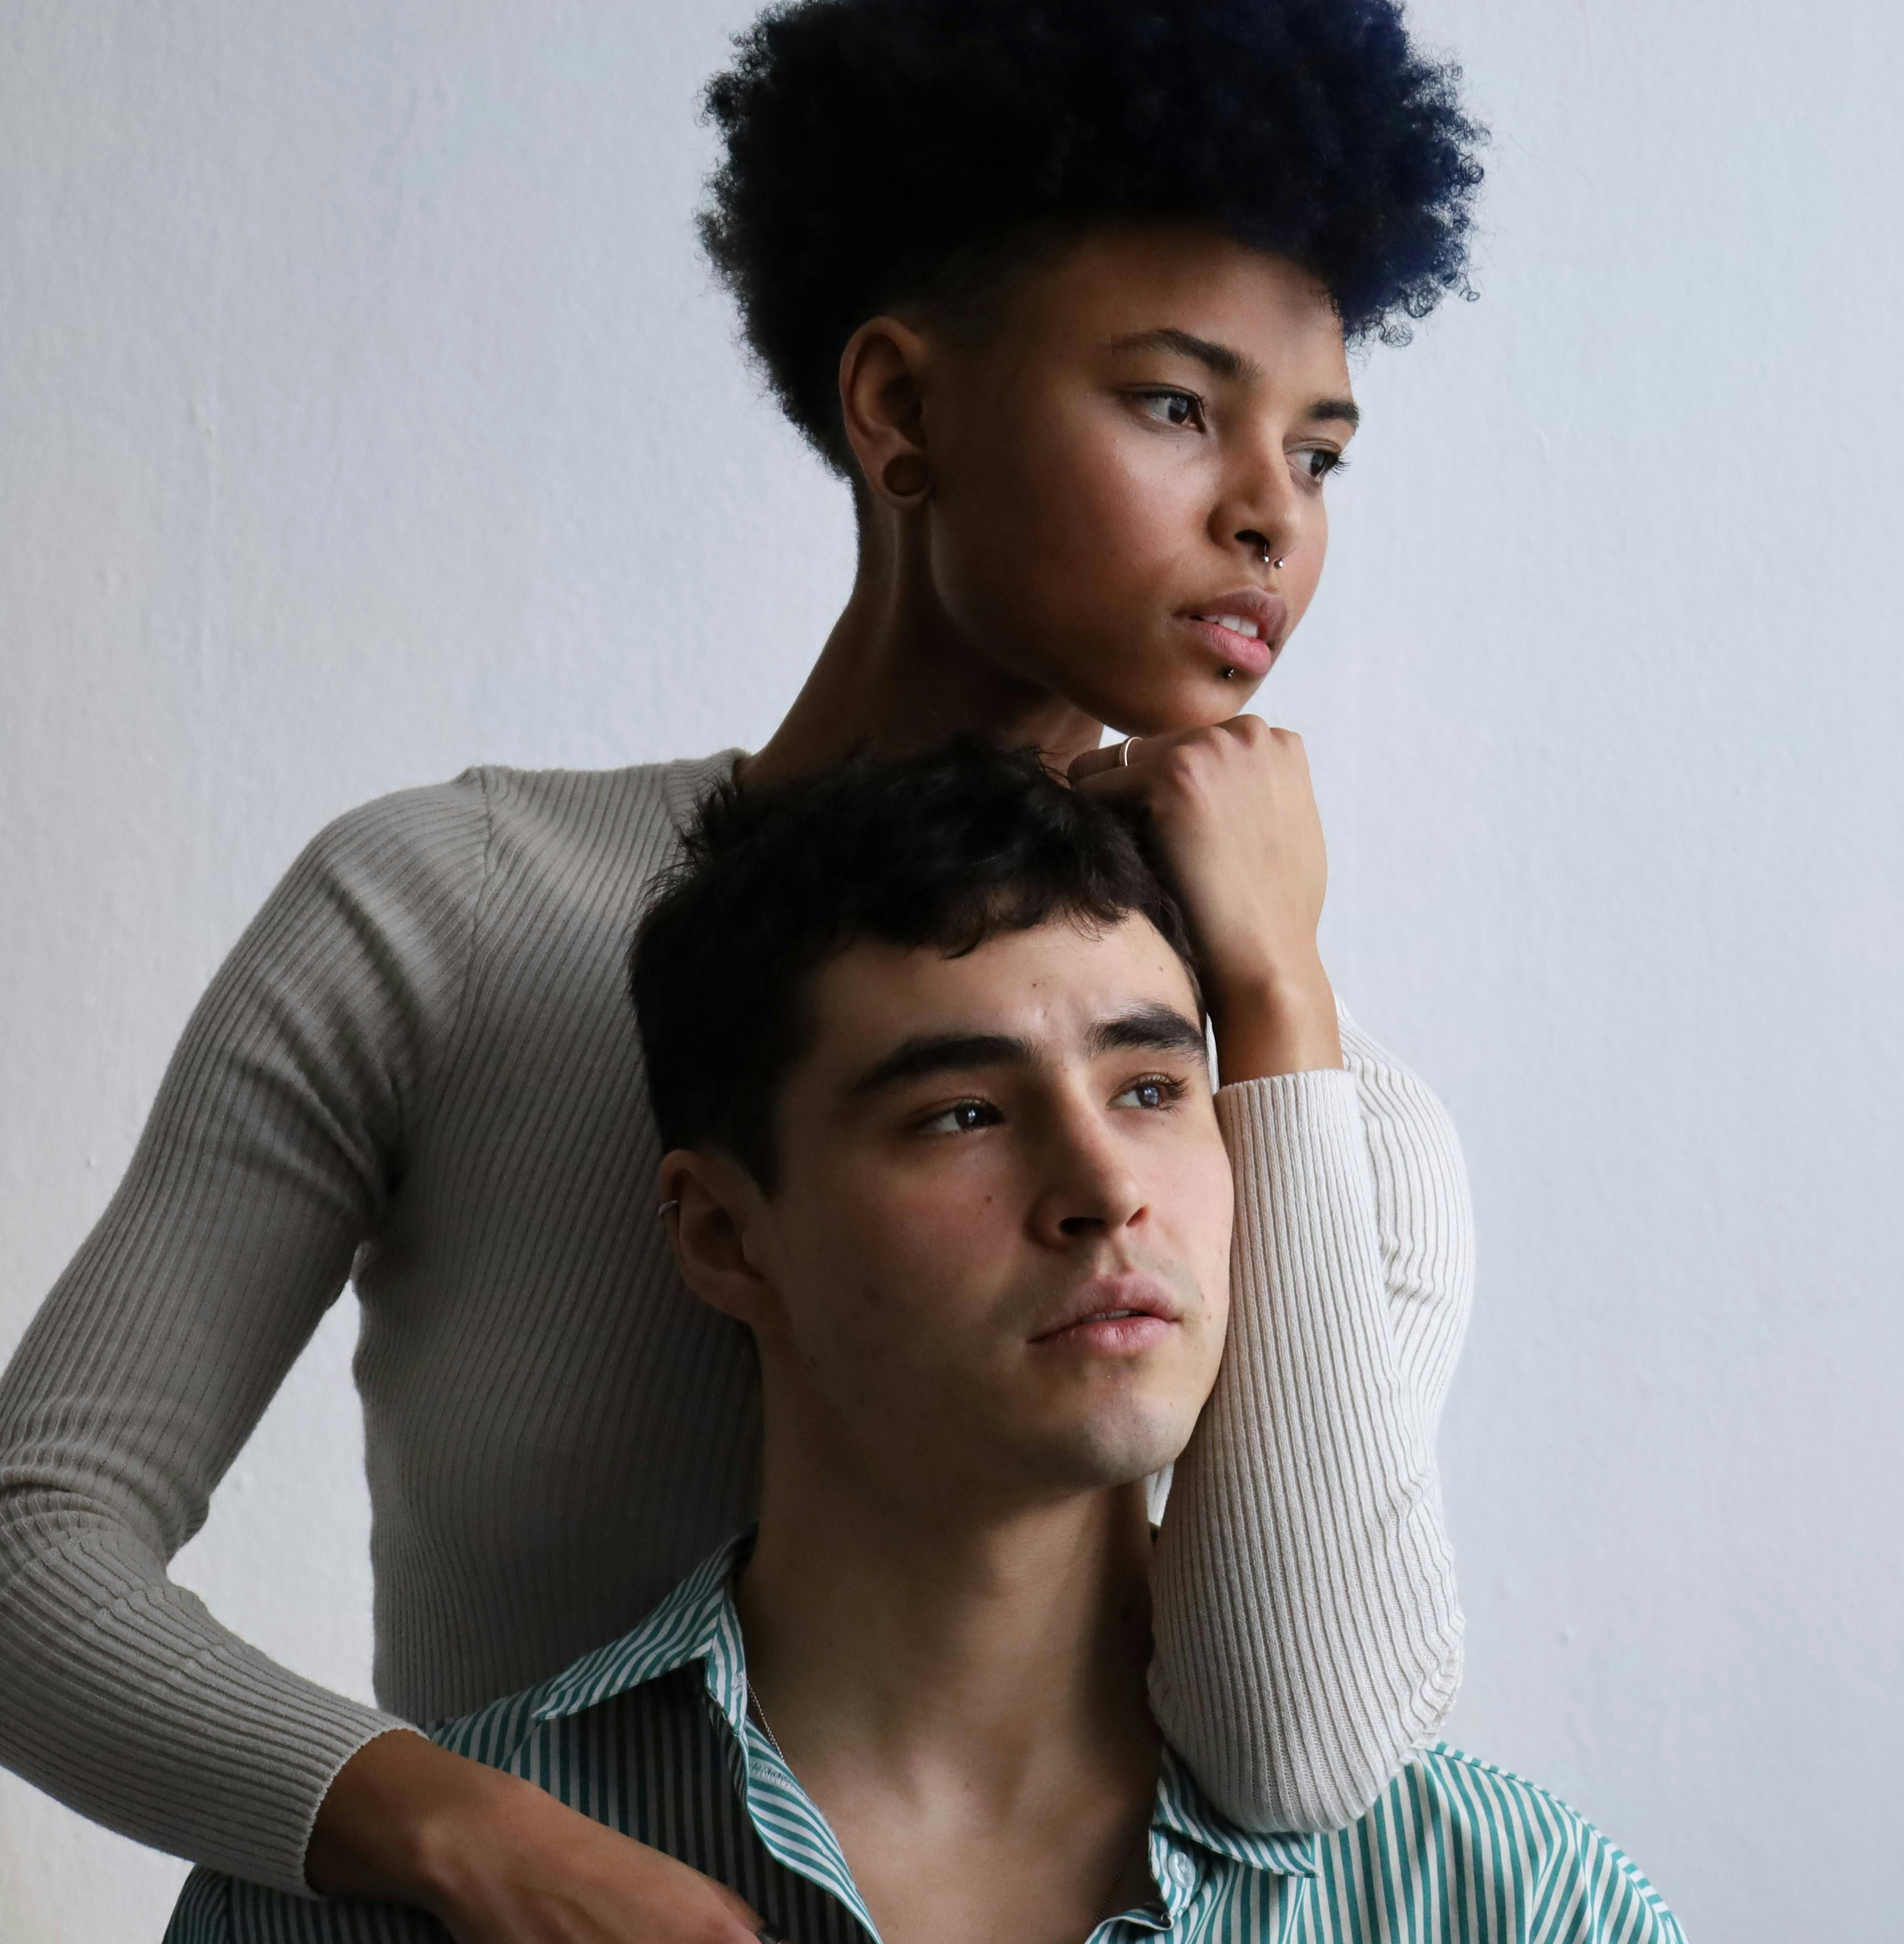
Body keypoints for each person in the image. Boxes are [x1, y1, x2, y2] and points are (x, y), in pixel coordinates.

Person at [0, 0, 1487, 1941]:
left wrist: (1279, 1004)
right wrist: (473, 1840)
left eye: (1317, 449)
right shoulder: (450, 917)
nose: (1270, 512)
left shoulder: (1317, 1114)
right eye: (1174, 405)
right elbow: (28, 1544)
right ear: (899, 409)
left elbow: (1298, 1755)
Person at [164, 747, 1676, 1944]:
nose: (1102, 1192)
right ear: (723, 1238)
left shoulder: (1513, 1903)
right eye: (963, 1113)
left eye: (1152, 1088)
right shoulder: (370, 1913)